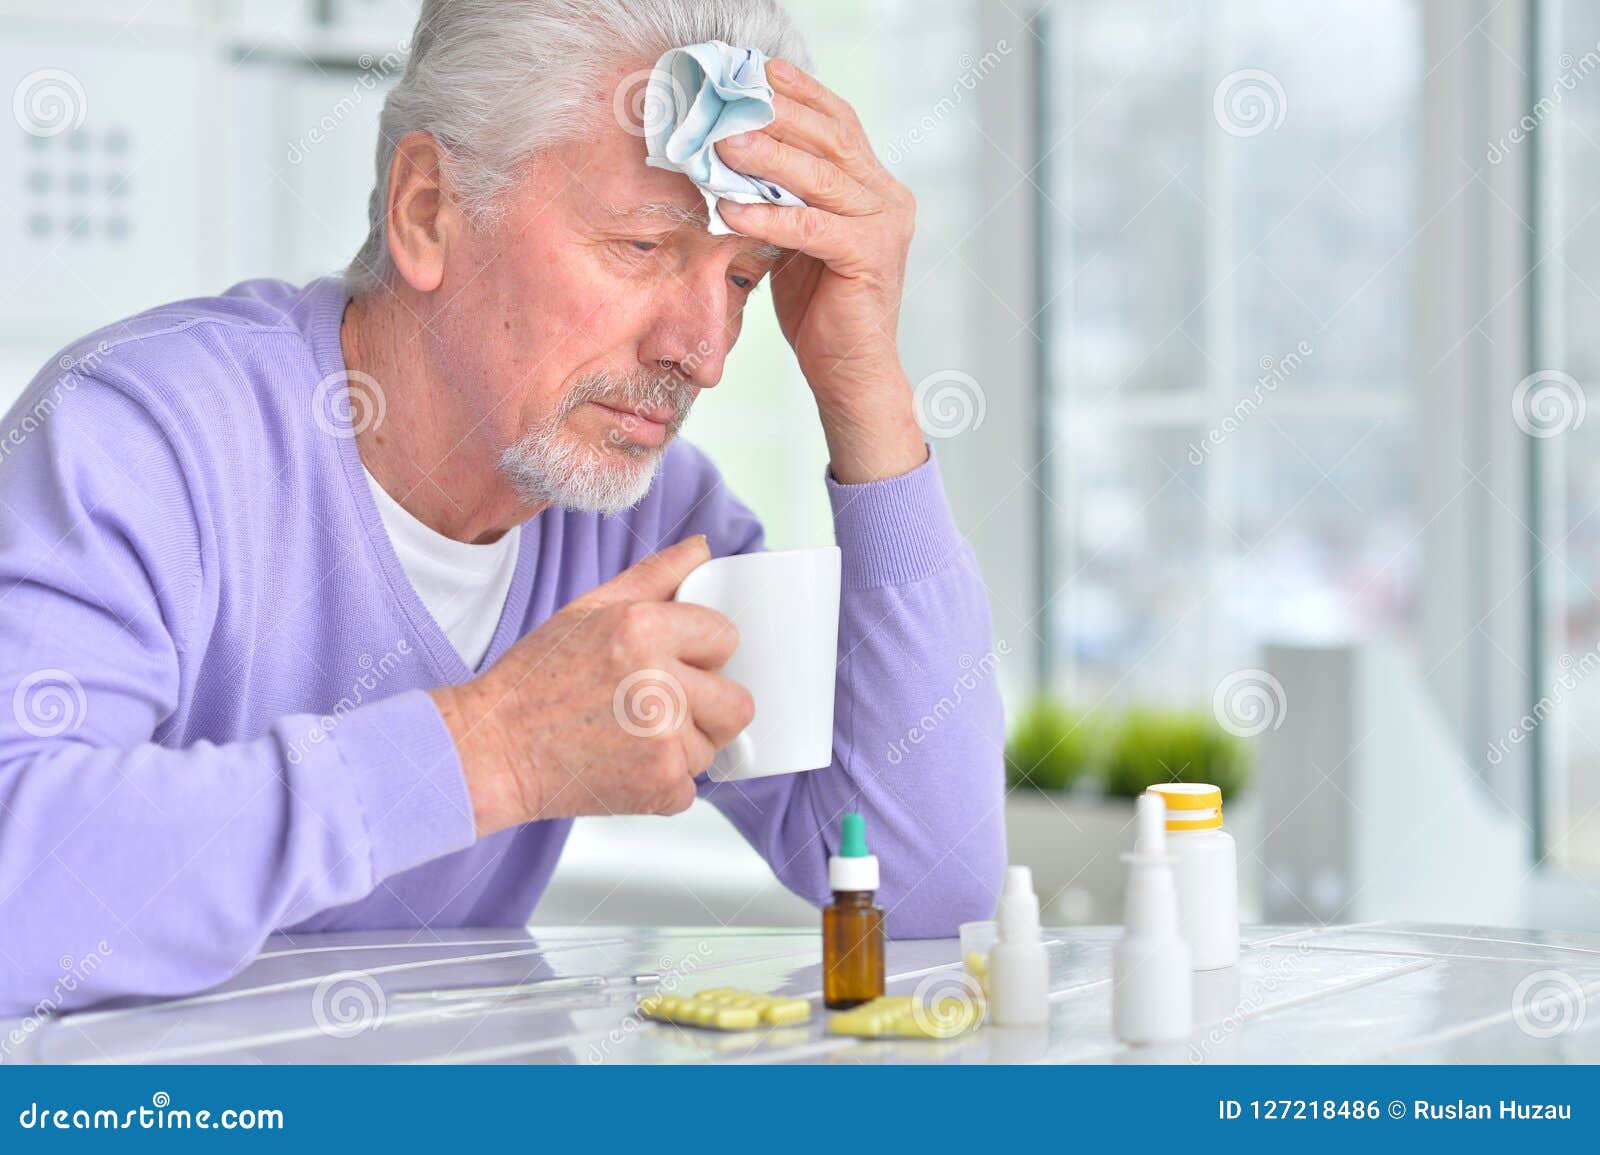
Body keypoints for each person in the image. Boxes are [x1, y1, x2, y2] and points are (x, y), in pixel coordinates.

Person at [0, 0, 1004, 1014]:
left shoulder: (650, 522)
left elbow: (929, 889)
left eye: (742, 276)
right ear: (428, 209)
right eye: (642, 247)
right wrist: (494, 750)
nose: (701, 352)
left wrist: (863, 383)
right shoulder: (141, 437)